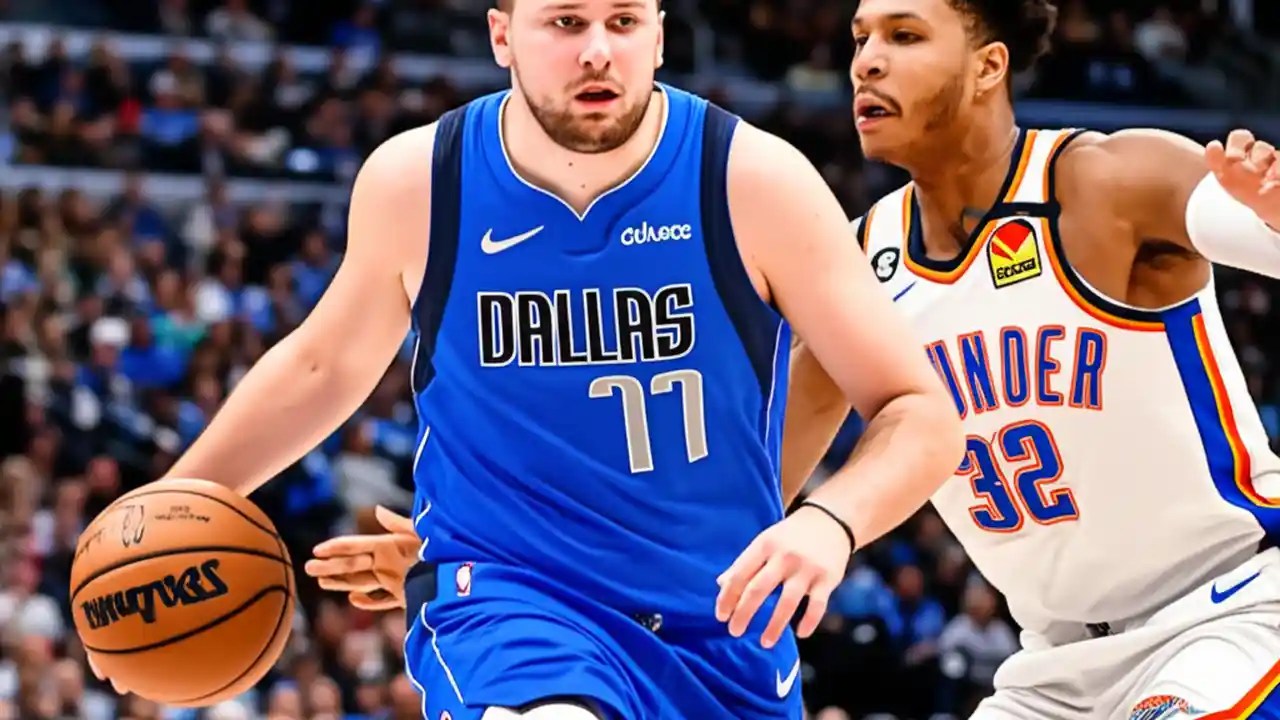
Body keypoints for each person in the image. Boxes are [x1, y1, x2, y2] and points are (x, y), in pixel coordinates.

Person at [92, 0, 966, 718]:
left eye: (623, 22)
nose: (598, 51)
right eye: (566, 22)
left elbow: (918, 412)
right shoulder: (421, 182)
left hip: (722, 632)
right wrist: (152, 528)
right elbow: (324, 367)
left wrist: (829, 522)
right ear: (502, 33)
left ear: (661, 35)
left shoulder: (751, 181)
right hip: (510, 604)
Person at [797, 0, 1280, 717]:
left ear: (989, 66)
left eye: (904, 36)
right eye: (860, 38)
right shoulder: (860, 264)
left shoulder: (1106, 181)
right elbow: (759, 467)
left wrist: (1269, 208)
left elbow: (1256, 223)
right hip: (1053, 667)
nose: (866, 61)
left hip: (1228, 615)